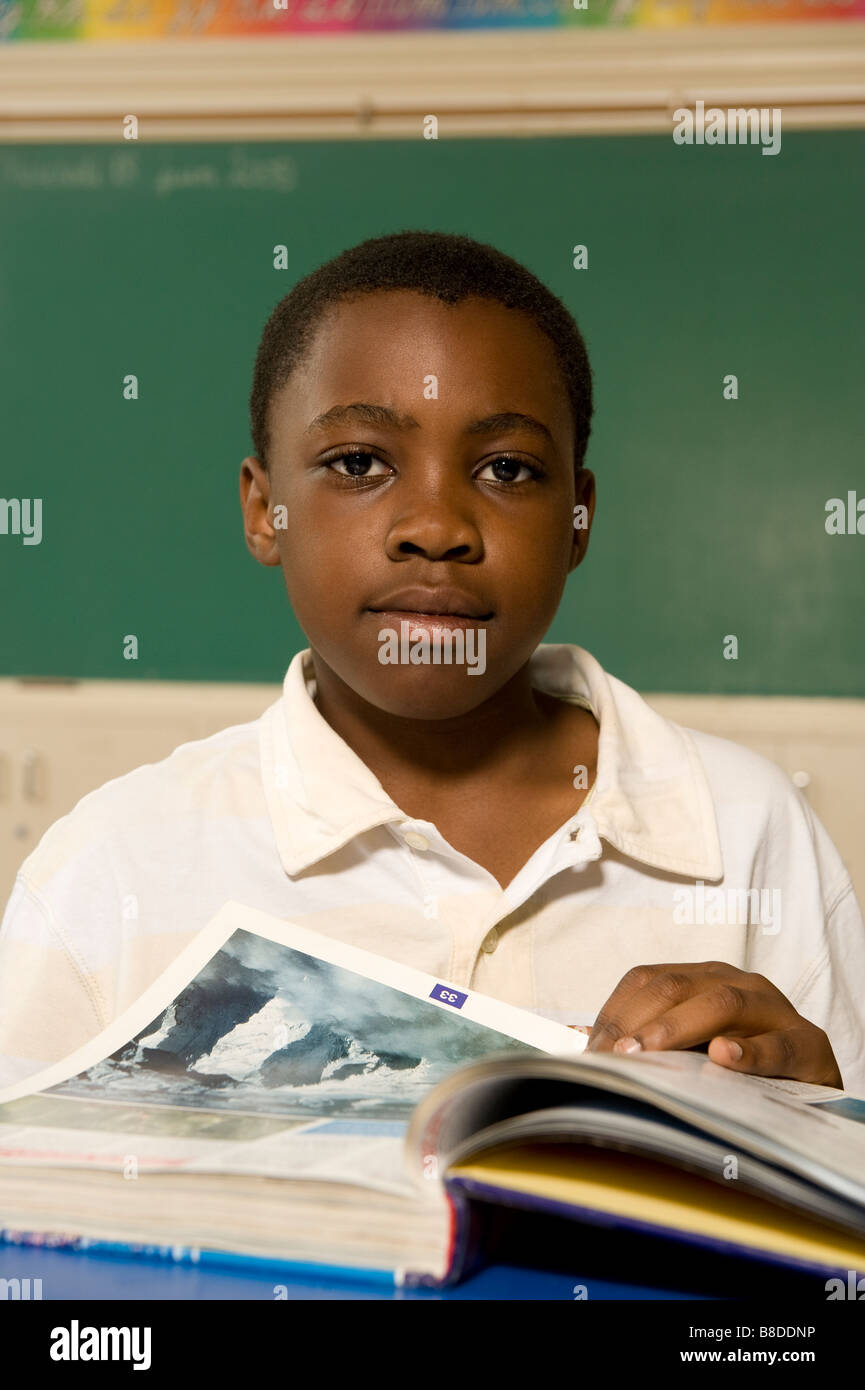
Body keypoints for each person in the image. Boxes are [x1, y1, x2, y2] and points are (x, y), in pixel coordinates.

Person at [1, 230, 862, 1094]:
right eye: (359, 463)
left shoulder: (748, 829)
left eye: (506, 469)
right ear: (266, 511)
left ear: (578, 519)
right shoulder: (117, 864)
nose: (436, 526)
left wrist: (816, 1121)